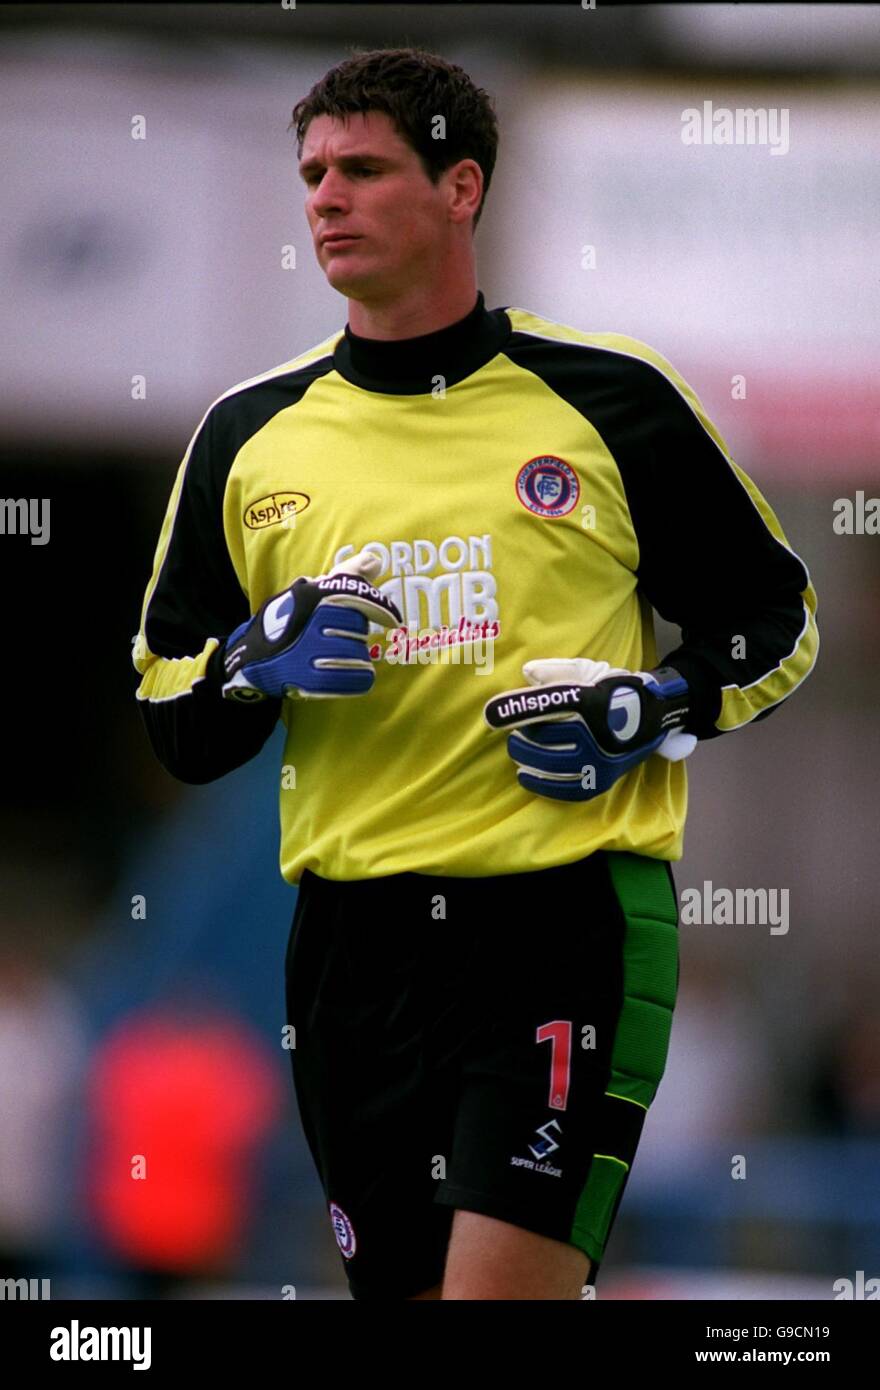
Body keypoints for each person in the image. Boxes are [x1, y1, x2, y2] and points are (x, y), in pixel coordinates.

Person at [132, 46, 819, 1300]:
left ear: (460, 187)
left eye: (364, 169)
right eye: (312, 173)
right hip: (351, 948)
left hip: (558, 920)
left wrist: (657, 708)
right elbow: (171, 714)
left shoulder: (611, 399)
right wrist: (249, 666)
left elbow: (776, 619)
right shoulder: (247, 434)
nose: (325, 199)